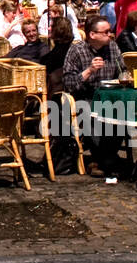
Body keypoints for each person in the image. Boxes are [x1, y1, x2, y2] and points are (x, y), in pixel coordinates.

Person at [62, 16, 124, 175]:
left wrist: (124, 77)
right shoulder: (77, 50)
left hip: (110, 94)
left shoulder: (113, 47)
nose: (110, 35)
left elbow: (122, 71)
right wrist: (89, 70)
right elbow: (68, 83)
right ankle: (102, 159)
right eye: (106, 32)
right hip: (85, 95)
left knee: (124, 112)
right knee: (91, 113)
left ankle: (106, 157)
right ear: (92, 34)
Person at [39, 17, 76, 95]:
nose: (49, 28)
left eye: (52, 26)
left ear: (59, 30)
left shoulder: (61, 52)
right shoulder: (61, 48)